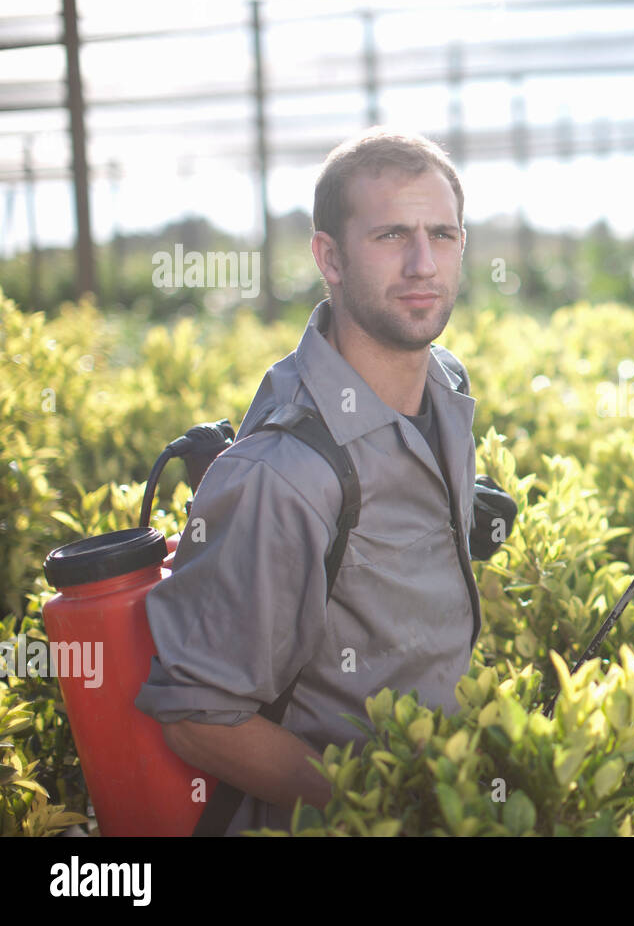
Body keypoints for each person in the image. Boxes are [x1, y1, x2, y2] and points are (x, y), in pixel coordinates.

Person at [135, 128, 480, 836]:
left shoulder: (445, 385)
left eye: (441, 235)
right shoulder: (282, 474)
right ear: (329, 257)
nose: (423, 263)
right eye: (390, 235)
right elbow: (200, 721)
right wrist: (383, 811)